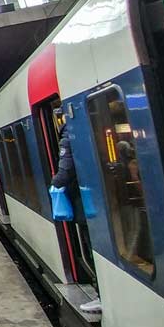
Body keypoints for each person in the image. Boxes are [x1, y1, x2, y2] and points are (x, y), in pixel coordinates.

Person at [53, 129, 102, 314]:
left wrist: (54, 182)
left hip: (85, 203)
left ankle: (101, 295)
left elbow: (64, 173)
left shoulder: (69, 134)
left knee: (92, 247)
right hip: (99, 199)